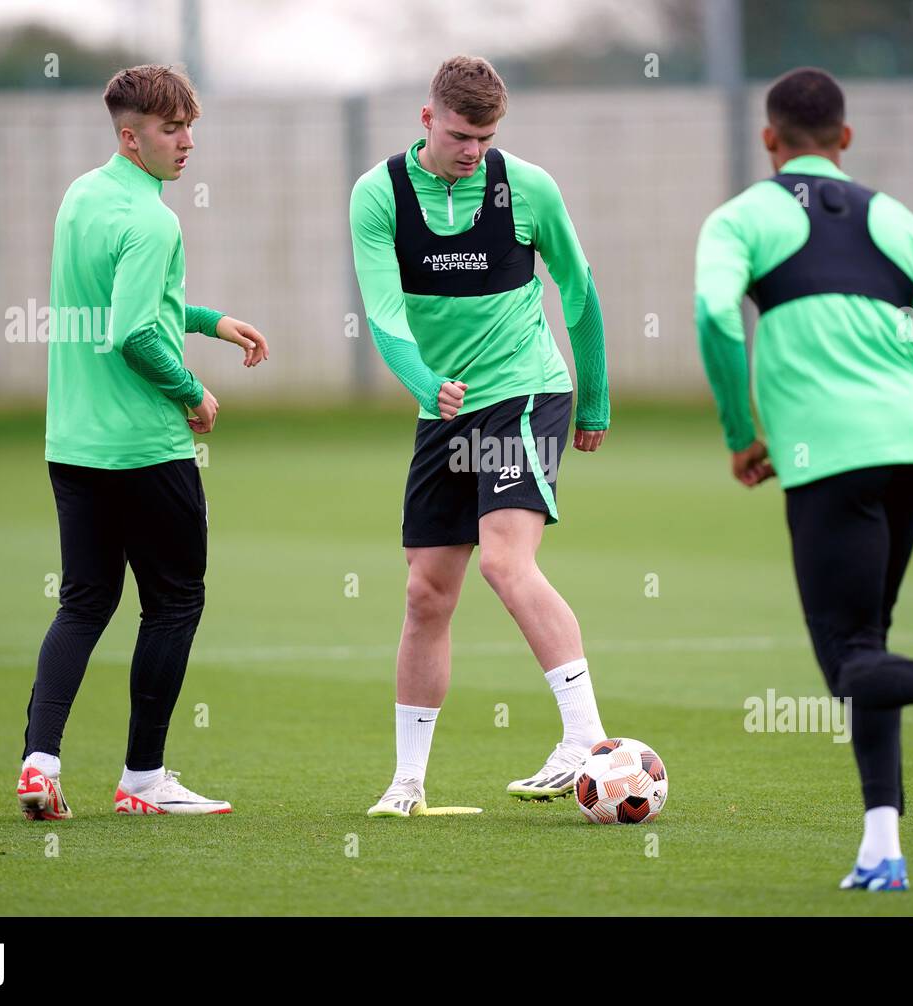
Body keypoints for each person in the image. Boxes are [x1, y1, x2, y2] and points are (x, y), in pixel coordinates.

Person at [694, 67, 913, 890]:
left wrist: (743, 432)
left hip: (825, 457)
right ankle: (882, 849)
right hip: (912, 447)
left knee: (847, 664)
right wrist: (899, 405)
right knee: (869, 647)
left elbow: (711, 315)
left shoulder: (742, 218)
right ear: (846, 138)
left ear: (770, 139)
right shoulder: (900, 220)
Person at [349, 55, 611, 816]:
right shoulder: (378, 195)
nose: (474, 150)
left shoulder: (527, 187)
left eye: (487, 137)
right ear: (427, 119)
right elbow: (384, 313)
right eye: (462, 134)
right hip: (443, 407)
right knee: (426, 592)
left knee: (503, 560)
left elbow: (581, 291)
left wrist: (592, 402)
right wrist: (424, 385)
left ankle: (585, 741)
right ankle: (407, 783)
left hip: (522, 393)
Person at [18, 64, 269, 820]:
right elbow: (132, 332)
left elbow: (129, 300)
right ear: (131, 138)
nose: (187, 141)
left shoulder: (81, 198)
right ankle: (143, 781)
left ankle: (39, 764)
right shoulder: (155, 219)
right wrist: (192, 391)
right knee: (173, 603)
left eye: (190, 125)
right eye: (170, 130)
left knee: (83, 602)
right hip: (144, 449)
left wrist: (207, 319)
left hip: (74, 445)